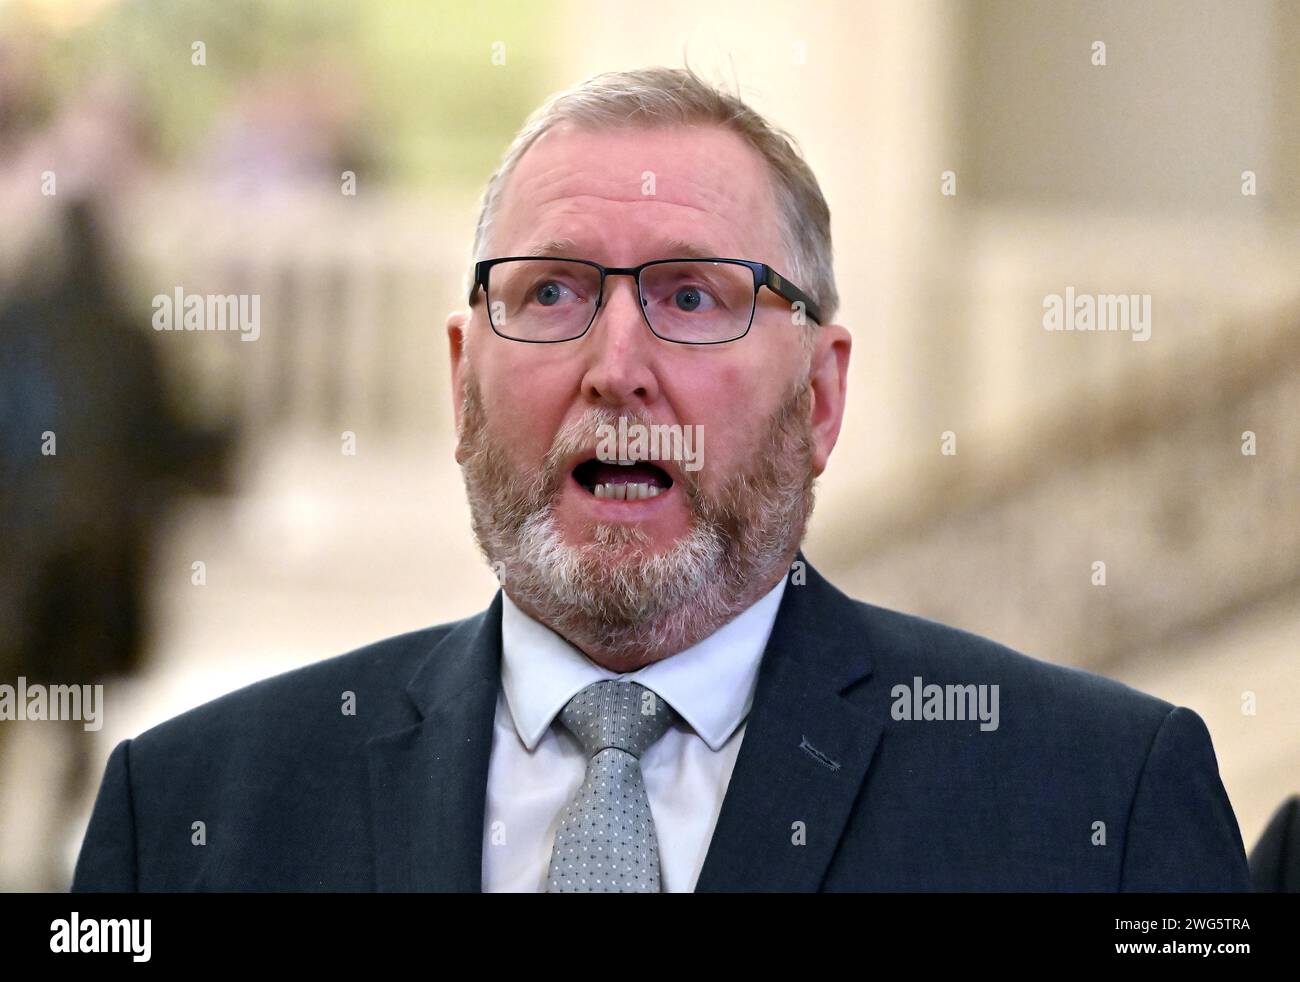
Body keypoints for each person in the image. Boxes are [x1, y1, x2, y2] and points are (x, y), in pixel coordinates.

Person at [72, 66, 1252, 892]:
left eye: (692, 296)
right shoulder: (185, 814)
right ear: (460, 382)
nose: (616, 367)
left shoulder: (1100, 805)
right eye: (550, 293)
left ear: (821, 396)